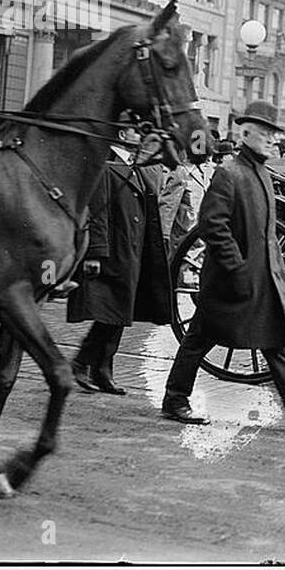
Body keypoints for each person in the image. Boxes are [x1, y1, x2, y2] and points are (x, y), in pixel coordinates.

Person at [161, 100, 285, 428]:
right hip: (230, 280)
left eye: (274, 133)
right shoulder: (230, 173)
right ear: (245, 134)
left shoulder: (260, 173)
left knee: (275, 344)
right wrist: (236, 268)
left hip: (259, 278)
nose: (272, 139)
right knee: (199, 337)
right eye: (265, 133)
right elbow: (212, 225)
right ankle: (175, 398)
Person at [68, 113, 186, 396]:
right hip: (114, 250)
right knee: (110, 312)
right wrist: (96, 253)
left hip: (133, 250)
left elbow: (155, 186)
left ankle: (102, 368)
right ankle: (83, 362)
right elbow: (97, 213)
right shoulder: (106, 165)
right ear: (123, 135)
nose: (141, 137)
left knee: (120, 313)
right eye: (136, 131)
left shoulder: (135, 165)